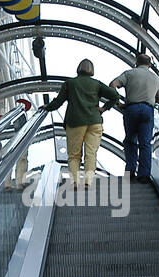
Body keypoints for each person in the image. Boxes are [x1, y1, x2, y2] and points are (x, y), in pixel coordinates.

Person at [43, 59, 120, 187]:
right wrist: (104, 108)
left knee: (74, 154)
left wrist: (46, 107)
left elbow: (58, 103)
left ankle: (74, 182)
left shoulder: (70, 83)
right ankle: (88, 181)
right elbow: (115, 96)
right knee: (91, 153)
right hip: (95, 122)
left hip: (75, 122)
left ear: (78, 69)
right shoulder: (96, 84)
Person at [110, 53, 159, 181]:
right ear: (149, 65)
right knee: (145, 143)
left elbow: (113, 84)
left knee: (130, 141)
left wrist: (118, 103)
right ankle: (144, 175)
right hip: (147, 110)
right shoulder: (156, 79)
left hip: (131, 109)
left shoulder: (129, 73)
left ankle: (130, 173)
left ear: (136, 63)